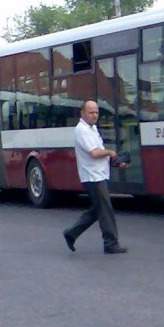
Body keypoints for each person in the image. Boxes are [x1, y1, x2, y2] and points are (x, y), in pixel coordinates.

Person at [63, 100, 128, 254]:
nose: (94, 115)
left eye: (96, 112)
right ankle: (110, 243)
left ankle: (71, 233)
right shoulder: (82, 130)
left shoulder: (92, 129)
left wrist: (114, 161)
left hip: (98, 174)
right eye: (91, 112)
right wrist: (111, 153)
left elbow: (98, 153)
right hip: (92, 177)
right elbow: (94, 152)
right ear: (82, 113)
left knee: (97, 210)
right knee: (106, 210)